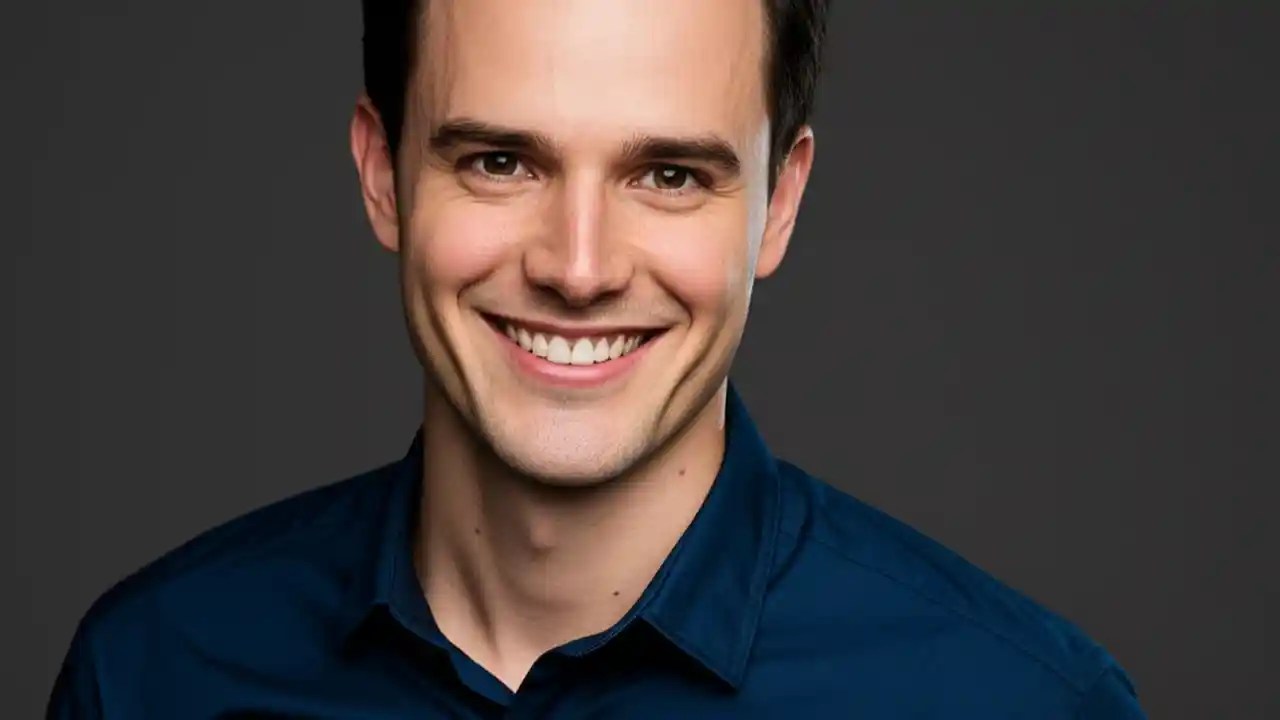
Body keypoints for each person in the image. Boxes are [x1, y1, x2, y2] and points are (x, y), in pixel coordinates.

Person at [48, 0, 1147, 717]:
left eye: (667, 175)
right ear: (382, 174)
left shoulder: (1020, 702)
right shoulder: (152, 673)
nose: (577, 268)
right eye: (499, 161)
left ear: (778, 205)